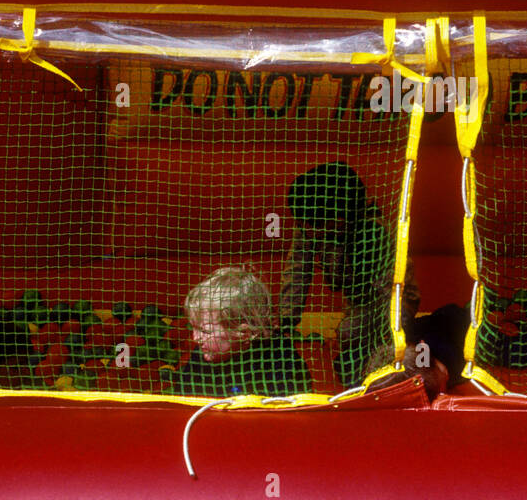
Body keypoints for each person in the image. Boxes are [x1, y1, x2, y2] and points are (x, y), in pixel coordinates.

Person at [280, 161, 421, 387]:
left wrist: (393, 334)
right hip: (357, 303)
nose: (309, 230)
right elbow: (297, 271)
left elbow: (393, 295)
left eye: (318, 226)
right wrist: (286, 321)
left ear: (341, 218)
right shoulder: (308, 226)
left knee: (351, 332)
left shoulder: (372, 232)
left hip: (390, 301)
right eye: (306, 225)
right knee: (349, 334)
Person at [175, 266, 312, 398]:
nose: (195, 338)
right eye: (193, 328)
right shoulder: (203, 355)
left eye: (205, 331)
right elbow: (185, 396)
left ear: (244, 333)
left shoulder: (280, 362)